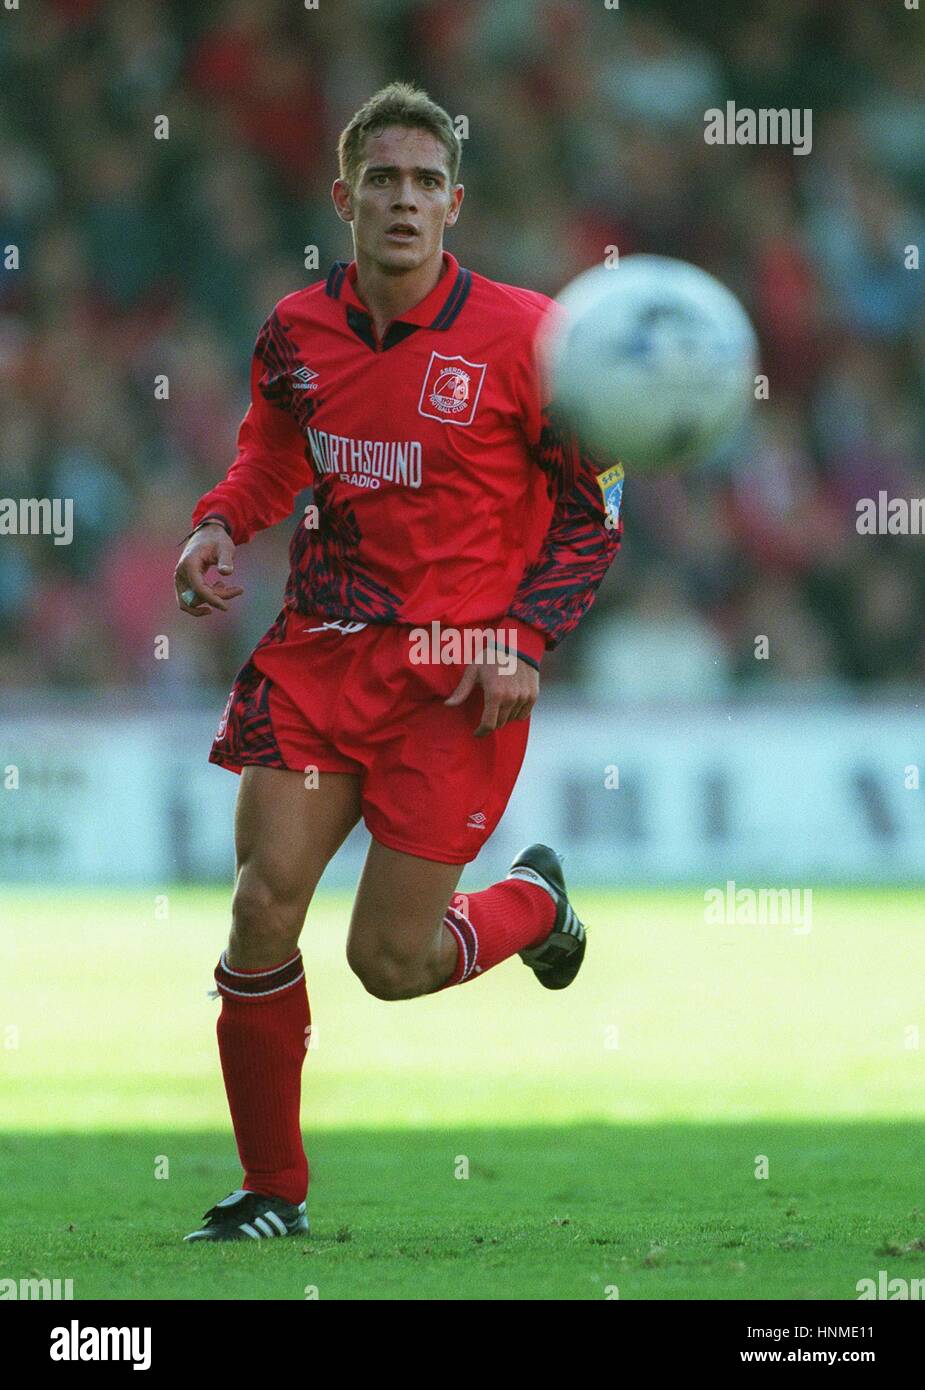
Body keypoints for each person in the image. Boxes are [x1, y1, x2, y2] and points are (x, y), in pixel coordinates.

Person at [174, 82, 622, 1243]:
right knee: (263, 902)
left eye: (426, 182)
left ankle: (535, 901)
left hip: (460, 678)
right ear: (345, 197)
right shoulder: (295, 331)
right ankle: (272, 1190)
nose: (405, 200)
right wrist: (221, 522)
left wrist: (525, 637)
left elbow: (594, 510)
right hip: (320, 655)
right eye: (383, 180)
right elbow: (274, 454)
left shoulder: (528, 338)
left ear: (455, 205)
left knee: (391, 959)